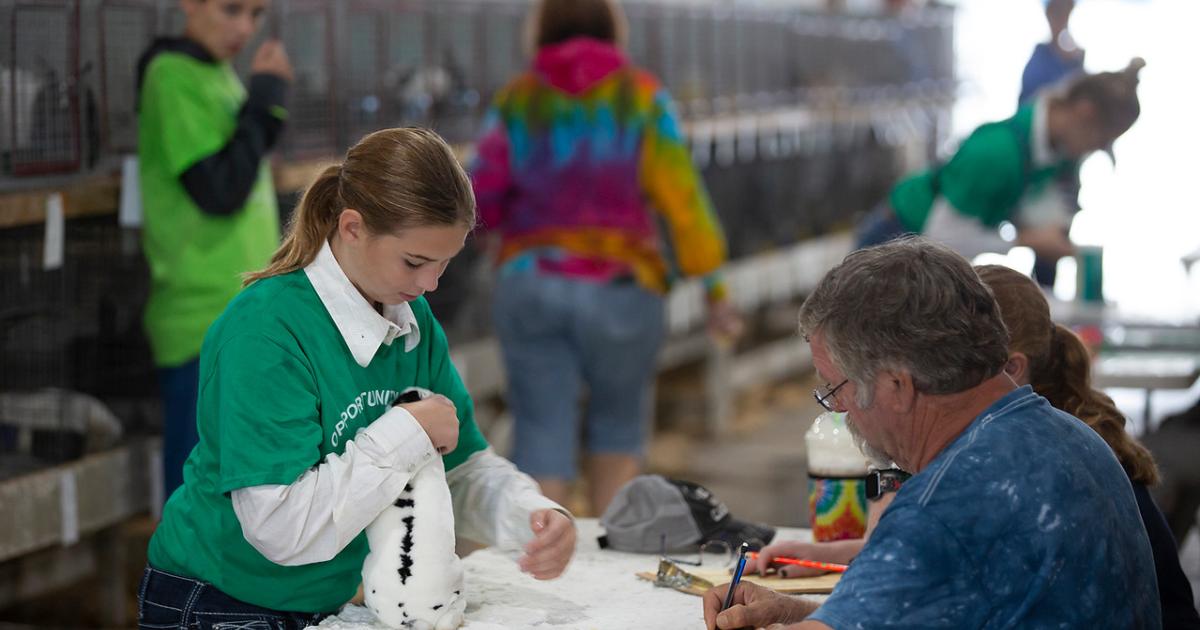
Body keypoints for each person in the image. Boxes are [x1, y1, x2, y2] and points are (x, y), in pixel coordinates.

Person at [138, 128, 577, 630]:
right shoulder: (266, 331)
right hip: (223, 600)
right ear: (351, 228)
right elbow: (281, 529)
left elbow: (461, 468)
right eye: (415, 261)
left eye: (445, 264)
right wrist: (406, 432)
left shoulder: (411, 320)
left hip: (328, 598)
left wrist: (528, 515)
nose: (430, 284)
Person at [704, 237, 1160, 629]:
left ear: (898, 385)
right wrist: (801, 613)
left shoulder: (944, 506)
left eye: (836, 387)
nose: (837, 407)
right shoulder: (1069, 437)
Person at [470, 0, 740, 515]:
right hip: (623, 289)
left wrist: (493, 243)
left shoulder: (518, 100)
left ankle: (544, 569)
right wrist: (715, 289)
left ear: (540, 28)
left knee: (541, 430)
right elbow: (683, 200)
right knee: (617, 427)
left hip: (532, 281)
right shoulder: (640, 97)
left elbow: (480, 196)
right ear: (614, 27)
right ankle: (611, 565)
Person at [136, 0, 292, 500]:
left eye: (256, 14)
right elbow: (219, 190)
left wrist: (262, 109)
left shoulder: (220, 75)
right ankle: (178, 581)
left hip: (242, 310)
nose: (244, 28)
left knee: (236, 485)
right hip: (200, 316)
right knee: (197, 488)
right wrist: (263, 105)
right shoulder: (171, 75)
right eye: (231, 10)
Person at [855, 59, 1143, 266]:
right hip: (895, 241)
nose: (1093, 149)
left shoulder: (1049, 153)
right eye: (1100, 139)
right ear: (1084, 112)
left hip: (929, 249)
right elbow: (943, 236)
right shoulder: (997, 152)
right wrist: (1026, 240)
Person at [1019, 0, 1086, 288]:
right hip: (1039, 172)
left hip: (1066, 171)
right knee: (1043, 245)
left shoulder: (1076, 58)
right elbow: (1029, 112)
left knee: (1056, 244)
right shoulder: (1040, 61)